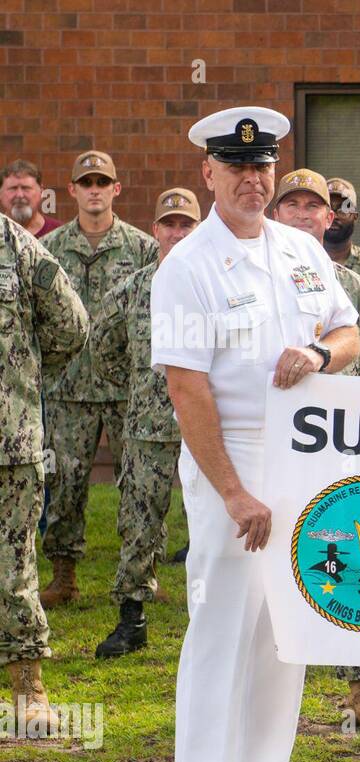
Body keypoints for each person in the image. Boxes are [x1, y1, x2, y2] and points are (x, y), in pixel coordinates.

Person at [151, 107, 360, 762]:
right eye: (236, 167)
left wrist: (317, 351)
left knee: (285, 633)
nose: (252, 179)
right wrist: (234, 493)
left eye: (262, 166)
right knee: (219, 638)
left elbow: (349, 333)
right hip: (230, 461)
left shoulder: (301, 248)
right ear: (208, 174)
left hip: (301, 460)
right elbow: (186, 389)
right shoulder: (188, 265)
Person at [270, 166, 360, 731]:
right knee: (263, 565)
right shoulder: (253, 276)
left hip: (334, 451)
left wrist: (345, 416)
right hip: (266, 448)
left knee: (349, 558)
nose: (305, 215)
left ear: (332, 219)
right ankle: (261, 690)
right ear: (276, 214)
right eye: (294, 206)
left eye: (316, 207)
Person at [40, 151, 157, 608]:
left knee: (138, 482)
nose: (94, 190)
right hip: (67, 388)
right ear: (71, 191)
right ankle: (64, 576)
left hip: (127, 389)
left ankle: (141, 574)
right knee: (65, 484)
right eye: (85, 182)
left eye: (102, 182)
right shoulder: (49, 249)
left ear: (116, 190)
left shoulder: (142, 247)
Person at [90, 188, 201, 658]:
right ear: (154, 230)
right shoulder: (135, 288)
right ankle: (131, 618)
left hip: (207, 422)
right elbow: (101, 346)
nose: (177, 233)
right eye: (169, 224)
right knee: (139, 522)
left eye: (186, 225)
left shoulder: (216, 286)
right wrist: (138, 387)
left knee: (216, 523)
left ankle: (217, 619)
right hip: (148, 426)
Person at [0, 211, 87, 732]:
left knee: (14, 567)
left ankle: (27, 687)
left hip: (10, 442)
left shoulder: (17, 246)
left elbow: (71, 326)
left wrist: (21, 379)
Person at [0, 159, 63, 238]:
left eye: (26, 188)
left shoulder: (61, 235)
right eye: (13, 188)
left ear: (41, 191)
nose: (20, 195)